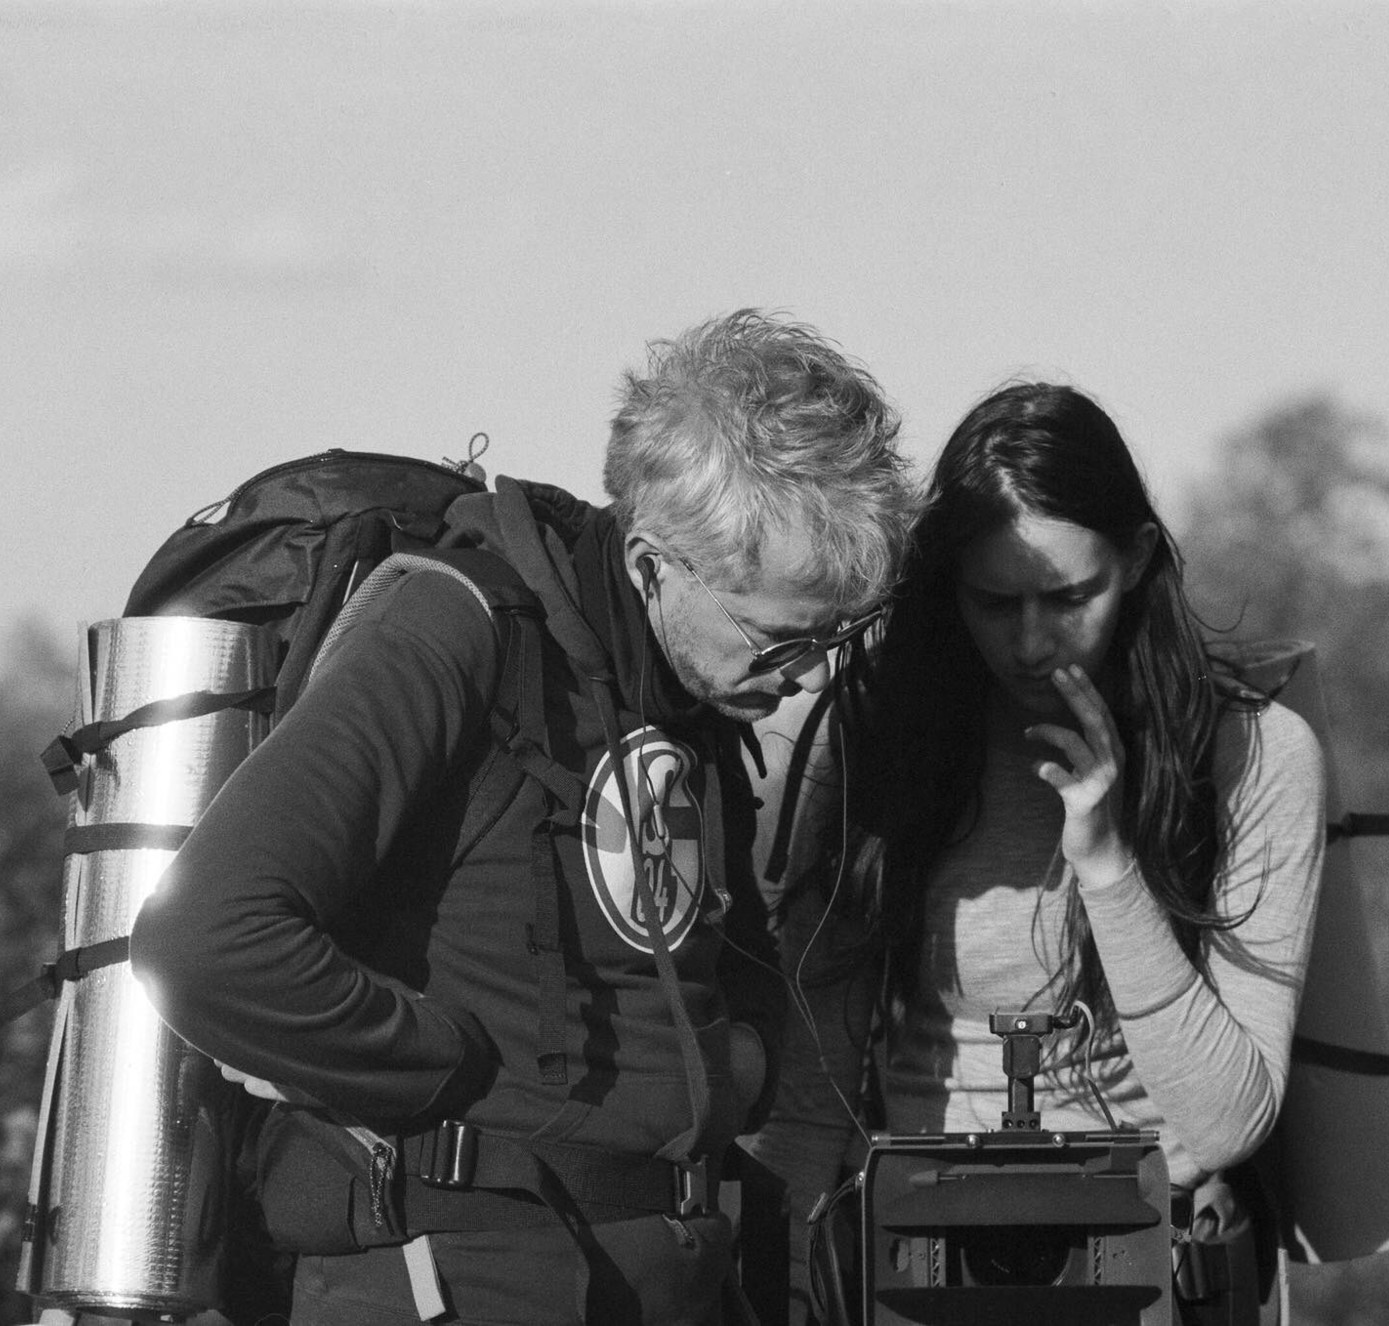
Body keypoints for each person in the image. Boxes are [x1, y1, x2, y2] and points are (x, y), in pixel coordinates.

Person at [130, 310, 917, 1326]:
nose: (804, 675)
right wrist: (440, 1066)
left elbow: (713, 954)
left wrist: (743, 1067)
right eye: (775, 642)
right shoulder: (450, 630)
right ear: (649, 567)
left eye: (829, 638)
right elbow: (206, 940)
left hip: (670, 1276)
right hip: (447, 1283)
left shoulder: (688, 691)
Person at [746, 382, 1327, 1325]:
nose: (1029, 642)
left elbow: (1225, 1121)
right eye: (993, 602)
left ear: (1137, 561)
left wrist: (1107, 866)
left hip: (1149, 1270)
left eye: (1068, 597)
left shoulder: (1253, 756)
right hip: (917, 1266)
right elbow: (814, 1090)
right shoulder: (880, 741)